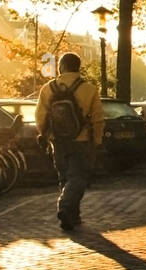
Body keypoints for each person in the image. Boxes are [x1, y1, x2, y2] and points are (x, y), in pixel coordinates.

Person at [34, 51, 104, 232]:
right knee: (79, 176)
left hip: (58, 140)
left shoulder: (48, 88)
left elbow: (40, 116)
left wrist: (45, 134)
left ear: (62, 67)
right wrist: (97, 139)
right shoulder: (89, 89)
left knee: (65, 177)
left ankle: (73, 216)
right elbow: (97, 117)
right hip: (82, 140)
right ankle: (66, 207)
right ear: (78, 67)